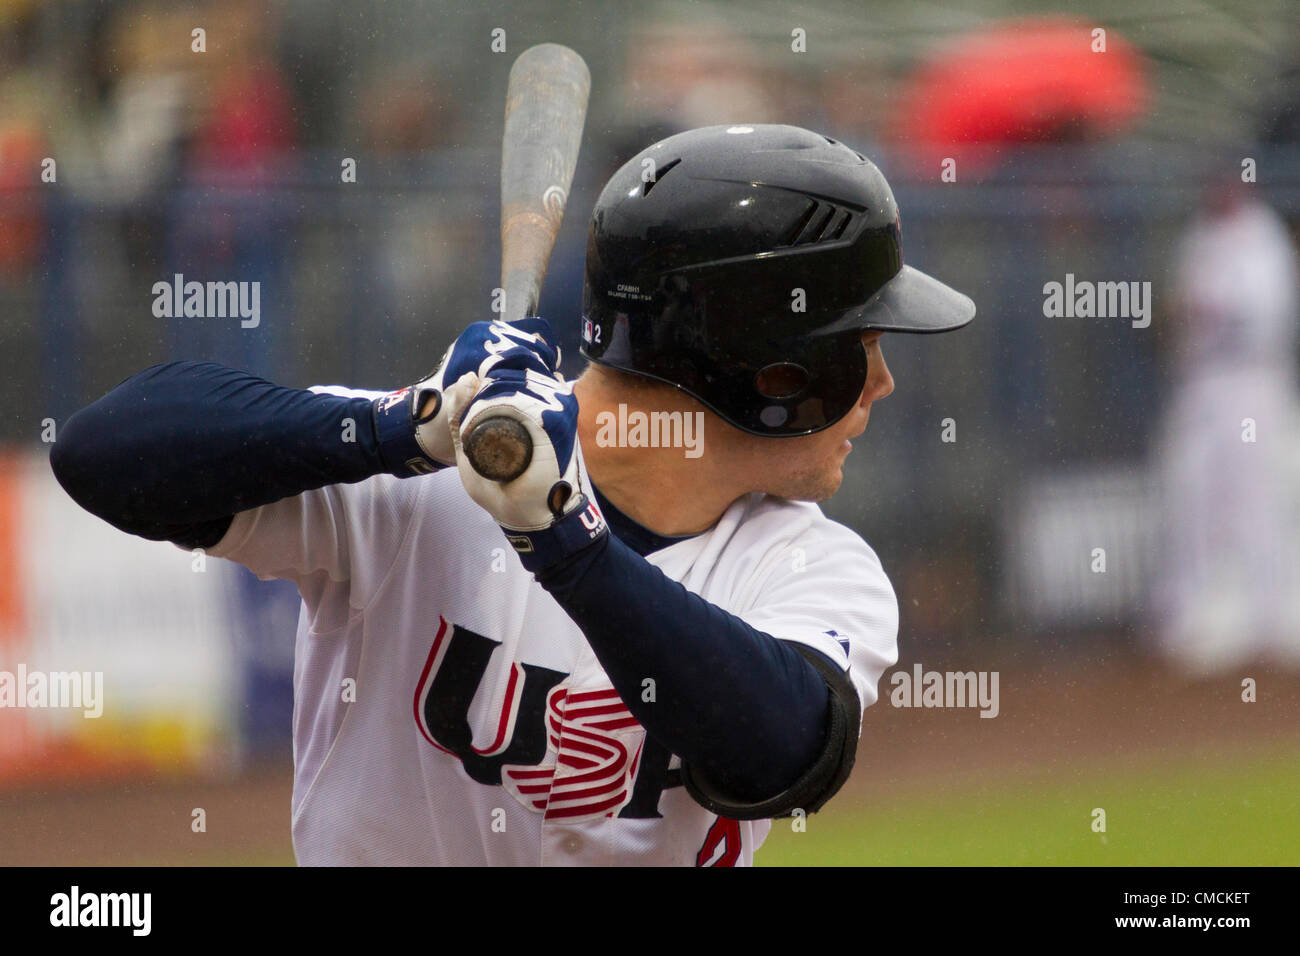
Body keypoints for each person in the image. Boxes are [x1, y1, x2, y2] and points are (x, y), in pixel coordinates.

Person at [51, 124, 974, 866]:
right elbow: (102, 452)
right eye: (862, 346)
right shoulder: (415, 478)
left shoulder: (812, 567)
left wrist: (566, 544)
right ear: (773, 369)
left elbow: (779, 751)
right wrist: (406, 427)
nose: (884, 384)